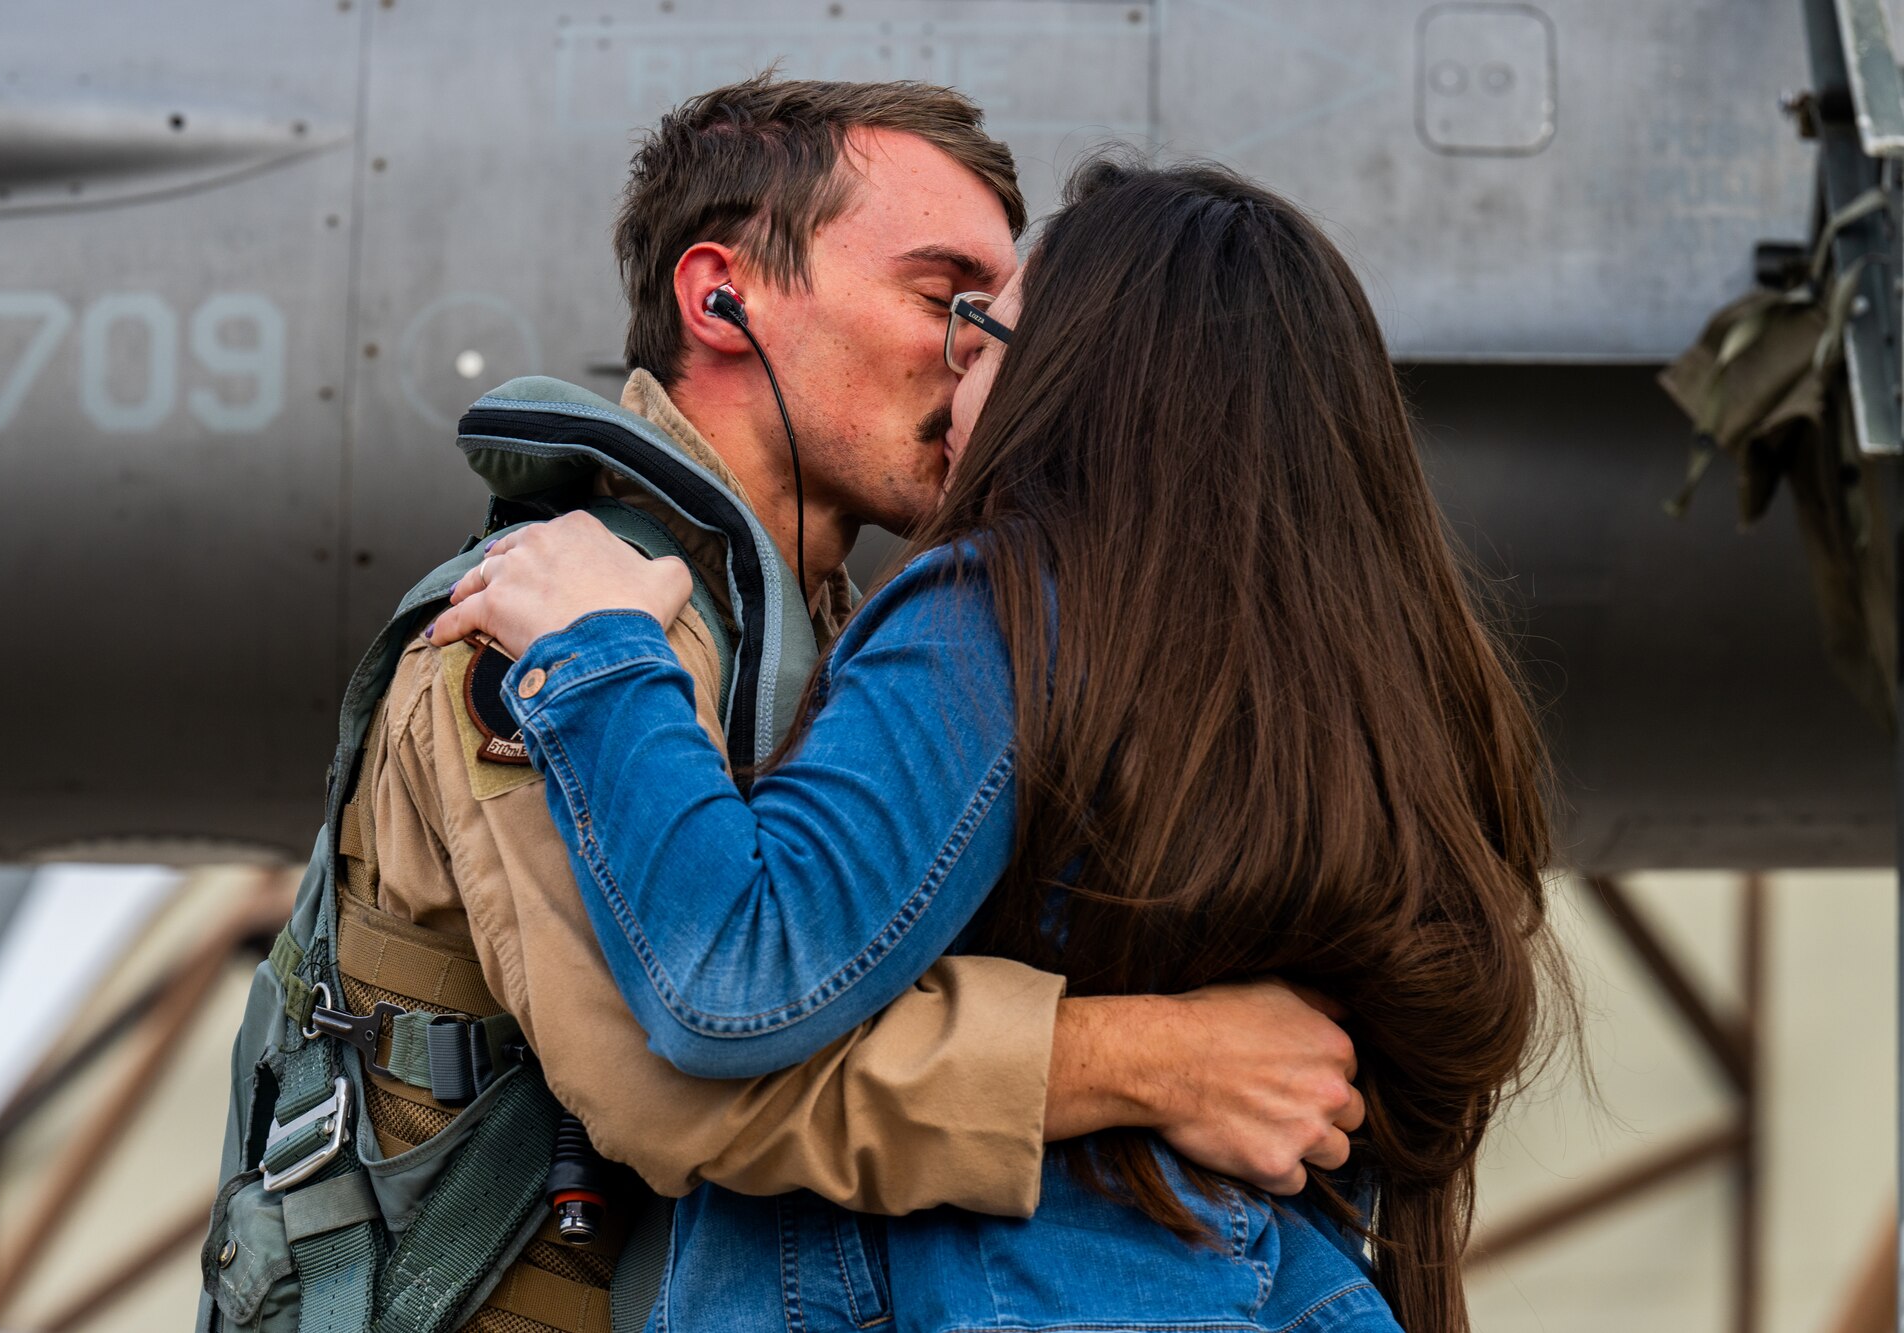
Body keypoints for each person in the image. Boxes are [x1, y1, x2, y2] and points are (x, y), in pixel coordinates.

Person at [209, 79, 1364, 1333]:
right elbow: (678, 1087)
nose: (978, 346)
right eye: (941, 298)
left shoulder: (810, 634)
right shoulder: (542, 624)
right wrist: (1161, 1062)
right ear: (722, 298)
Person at [430, 155, 1565, 1333]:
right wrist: (1166, 1057)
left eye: (977, 344)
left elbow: (734, 976)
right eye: (941, 311)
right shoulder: (1375, 681)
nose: (948, 374)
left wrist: (603, 654)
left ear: (1080, 378)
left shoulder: (1001, 604)